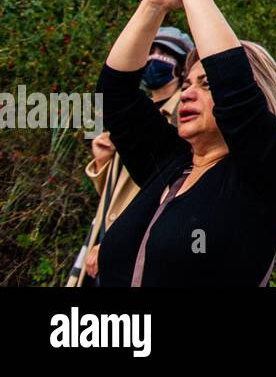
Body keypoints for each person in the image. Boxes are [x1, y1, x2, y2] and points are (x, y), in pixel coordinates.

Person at [93, 0, 276, 286]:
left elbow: (234, 86)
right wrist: (155, 4)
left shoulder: (262, 172)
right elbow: (115, 94)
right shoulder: (170, 163)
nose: (187, 92)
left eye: (206, 84)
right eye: (186, 83)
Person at [67, 28, 193, 286]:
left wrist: (117, 243)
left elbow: (170, 194)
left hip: (131, 247)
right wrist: (103, 162)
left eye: (165, 54)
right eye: (152, 51)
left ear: (181, 68)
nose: (155, 58)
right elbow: (119, 192)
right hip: (104, 234)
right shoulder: (136, 112)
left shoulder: (185, 117)